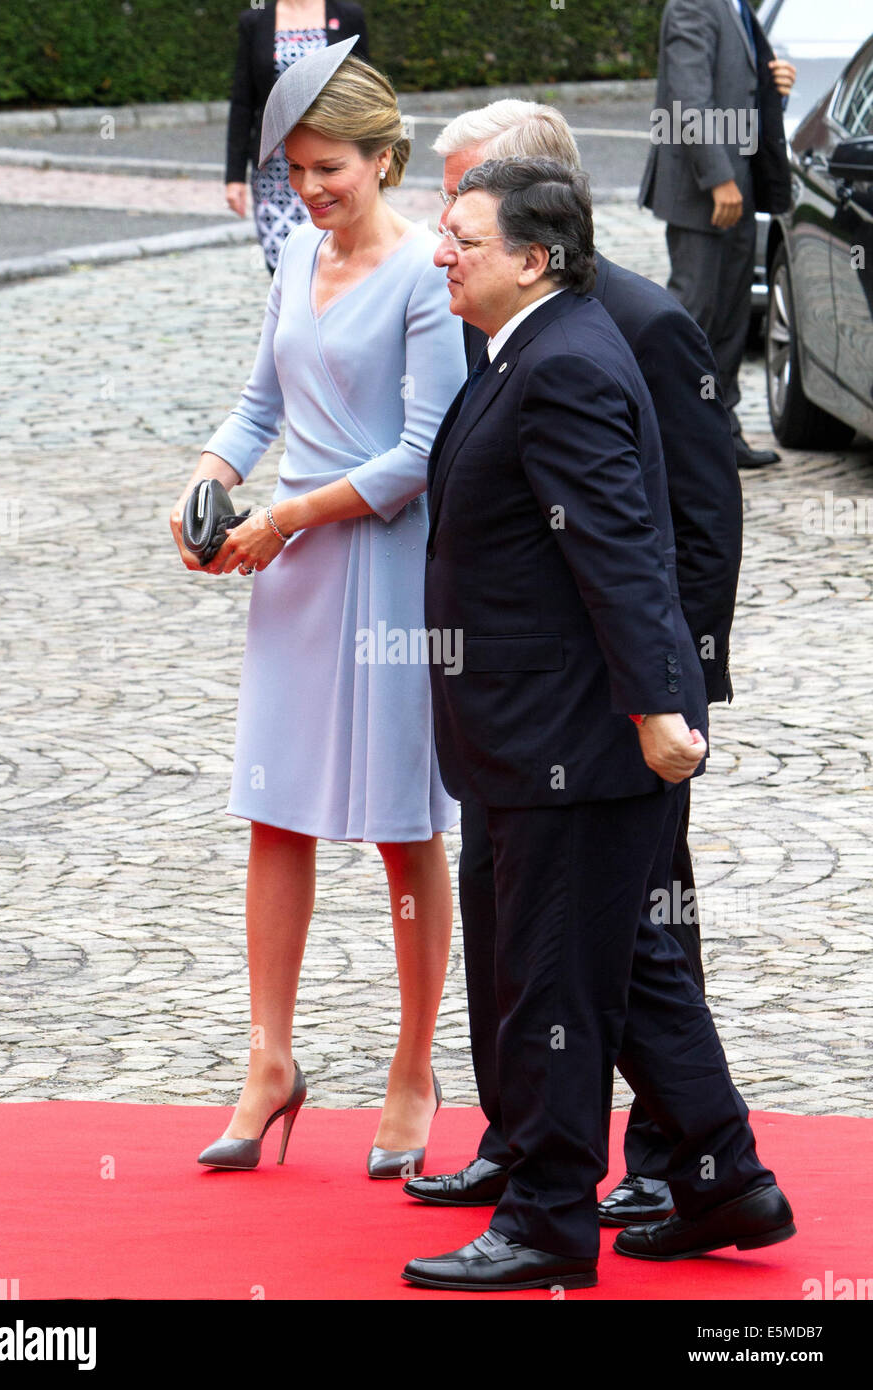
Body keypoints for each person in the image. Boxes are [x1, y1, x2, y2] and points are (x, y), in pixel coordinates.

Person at [402, 158, 794, 1292]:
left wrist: (658, 707)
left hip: (568, 741)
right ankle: (724, 1174)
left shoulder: (563, 362)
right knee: (634, 964)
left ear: (532, 256)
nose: (442, 253)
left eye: (461, 238)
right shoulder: (529, 344)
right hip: (535, 729)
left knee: (556, 985)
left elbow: (620, 551)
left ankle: (546, 1221)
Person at [171, 39, 467, 1178]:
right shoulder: (294, 252)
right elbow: (257, 404)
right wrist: (207, 475)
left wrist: (283, 519)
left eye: (330, 168)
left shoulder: (424, 272)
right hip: (294, 572)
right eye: (296, 169)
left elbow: (417, 457)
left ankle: (412, 1067)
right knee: (276, 810)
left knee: (403, 828)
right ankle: (269, 1060)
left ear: (386, 160)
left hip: (388, 569)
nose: (309, 191)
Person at [639, 0, 795, 470]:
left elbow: (738, 91)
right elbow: (689, 99)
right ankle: (661, 440)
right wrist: (717, 179)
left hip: (741, 187)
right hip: (704, 191)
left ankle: (721, 434)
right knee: (691, 317)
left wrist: (774, 85)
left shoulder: (738, 7)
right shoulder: (693, 5)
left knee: (730, 314)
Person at [224, 1, 369, 273]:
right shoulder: (255, 20)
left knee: (335, 258)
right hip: (275, 169)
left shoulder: (348, 14)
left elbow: (365, 89)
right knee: (283, 265)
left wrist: (373, 154)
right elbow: (243, 101)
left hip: (332, 162)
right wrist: (233, 177)